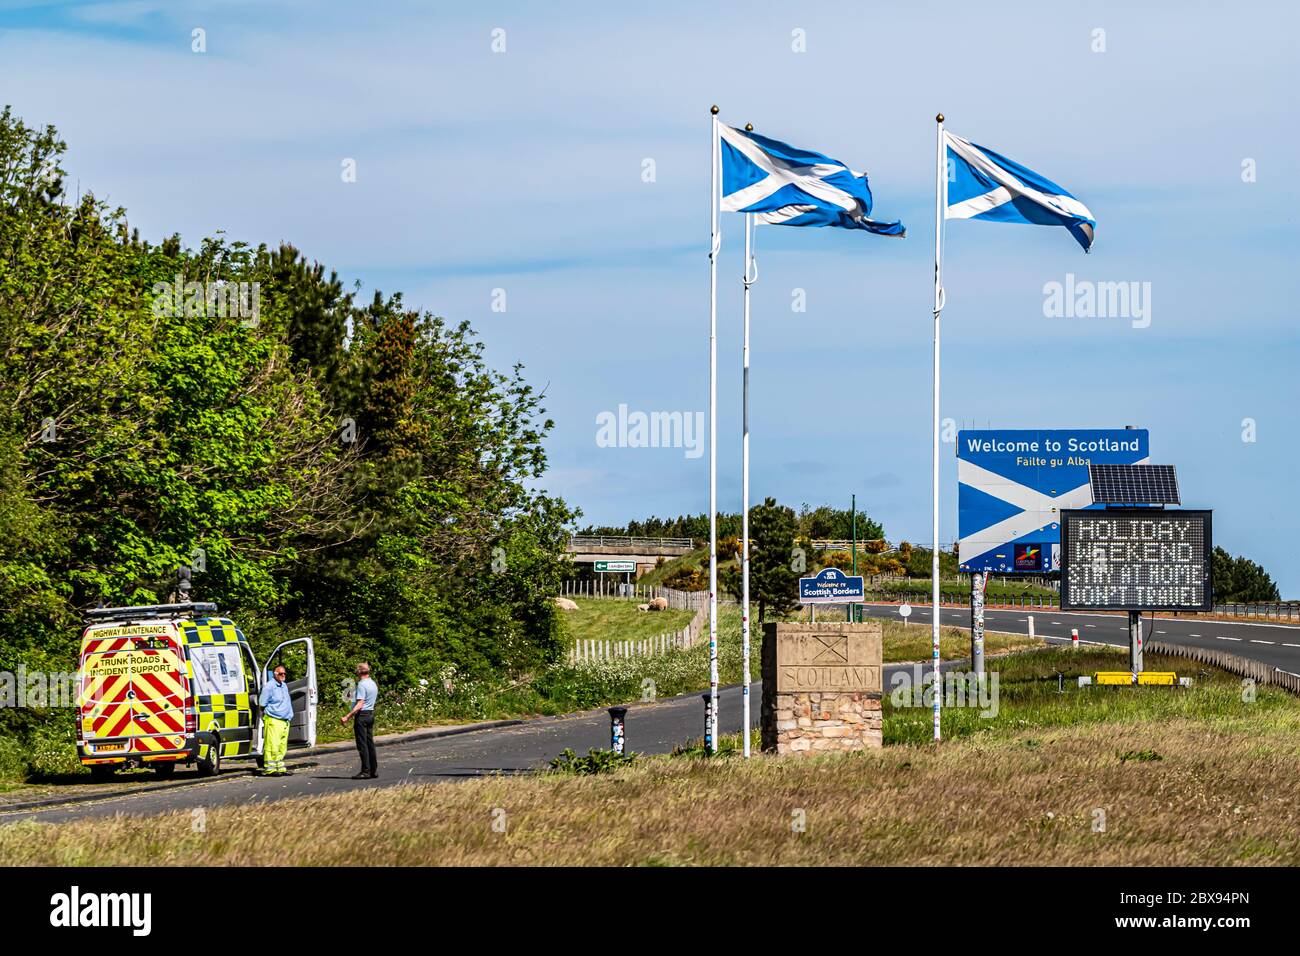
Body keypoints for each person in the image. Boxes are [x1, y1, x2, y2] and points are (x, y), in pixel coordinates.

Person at [341, 662, 378, 779]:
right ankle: (373, 770)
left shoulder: (362, 685)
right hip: (370, 714)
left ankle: (365, 771)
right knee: (370, 743)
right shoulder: (373, 683)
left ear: (359, 672)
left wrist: (347, 716)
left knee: (362, 745)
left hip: (362, 716)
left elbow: (360, 703)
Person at [259, 664, 293, 776]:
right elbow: (262, 703)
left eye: (284, 673)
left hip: (285, 720)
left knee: (282, 746)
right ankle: (270, 769)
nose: (283, 675)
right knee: (272, 745)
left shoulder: (284, 686)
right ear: (275, 674)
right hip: (274, 719)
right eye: (280, 673)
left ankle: (280, 768)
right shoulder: (269, 687)